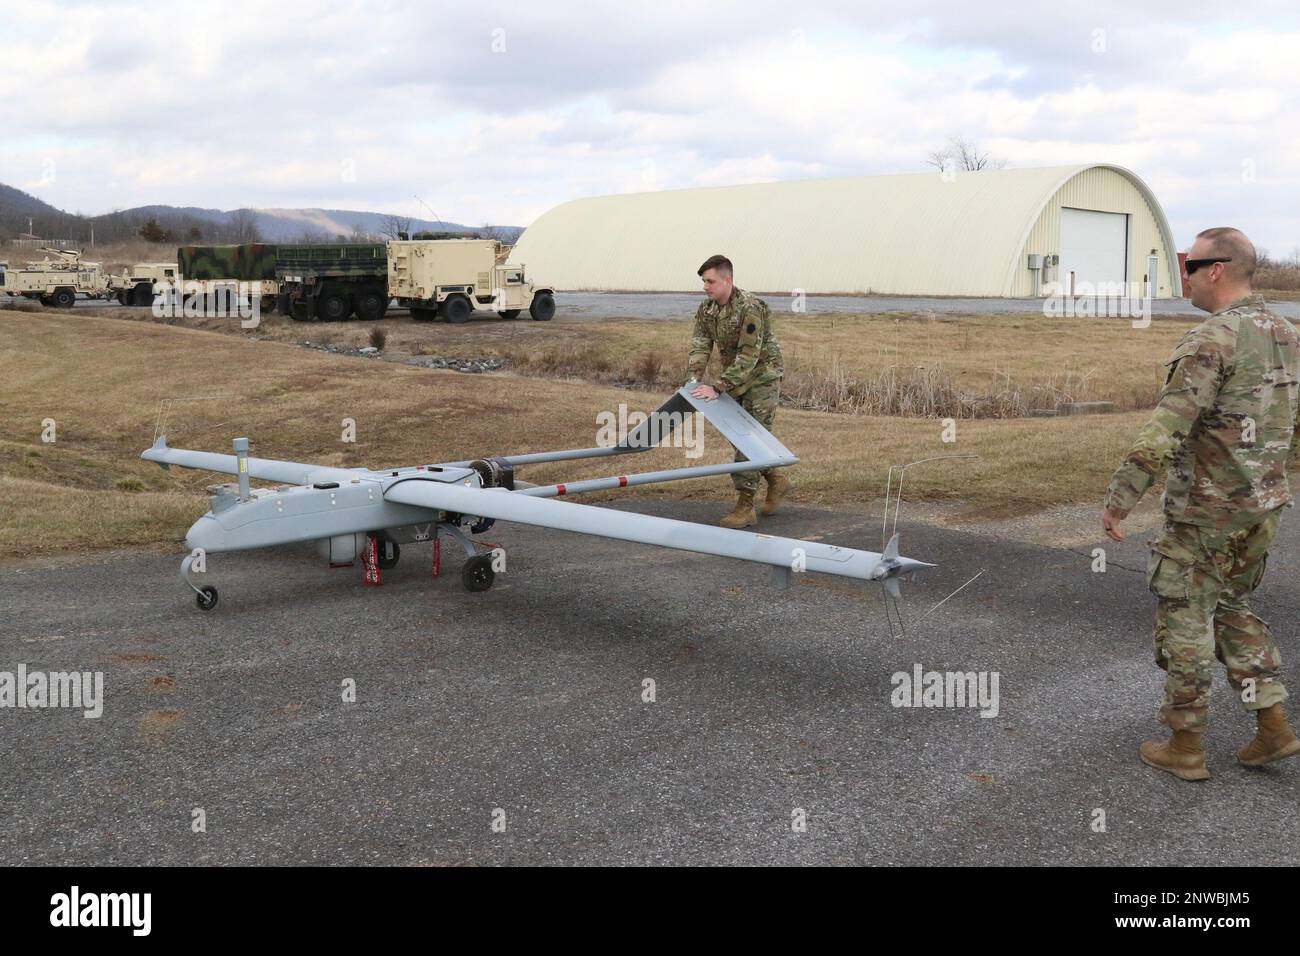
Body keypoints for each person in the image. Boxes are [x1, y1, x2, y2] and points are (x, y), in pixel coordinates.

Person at [1102, 227, 1300, 781]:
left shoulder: (1211, 341)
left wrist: (1121, 498)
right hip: (1262, 508)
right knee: (1232, 608)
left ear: (1216, 269)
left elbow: (1167, 427)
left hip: (1205, 514)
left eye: (1189, 264)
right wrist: (1268, 480)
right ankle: (1273, 727)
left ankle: (1185, 744)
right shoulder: (1288, 334)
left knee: (1186, 614)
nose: (1182, 273)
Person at [686, 255, 790, 528]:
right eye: (703, 282)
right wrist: (694, 380)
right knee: (738, 434)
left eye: (710, 281)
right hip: (735, 378)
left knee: (750, 437)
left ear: (727, 280)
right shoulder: (707, 310)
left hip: (762, 377)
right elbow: (700, 344)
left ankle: (745, 507)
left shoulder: (751, 307)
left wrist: (718, 387)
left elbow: (749, 356)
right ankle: (775, 477)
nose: (705, 287)